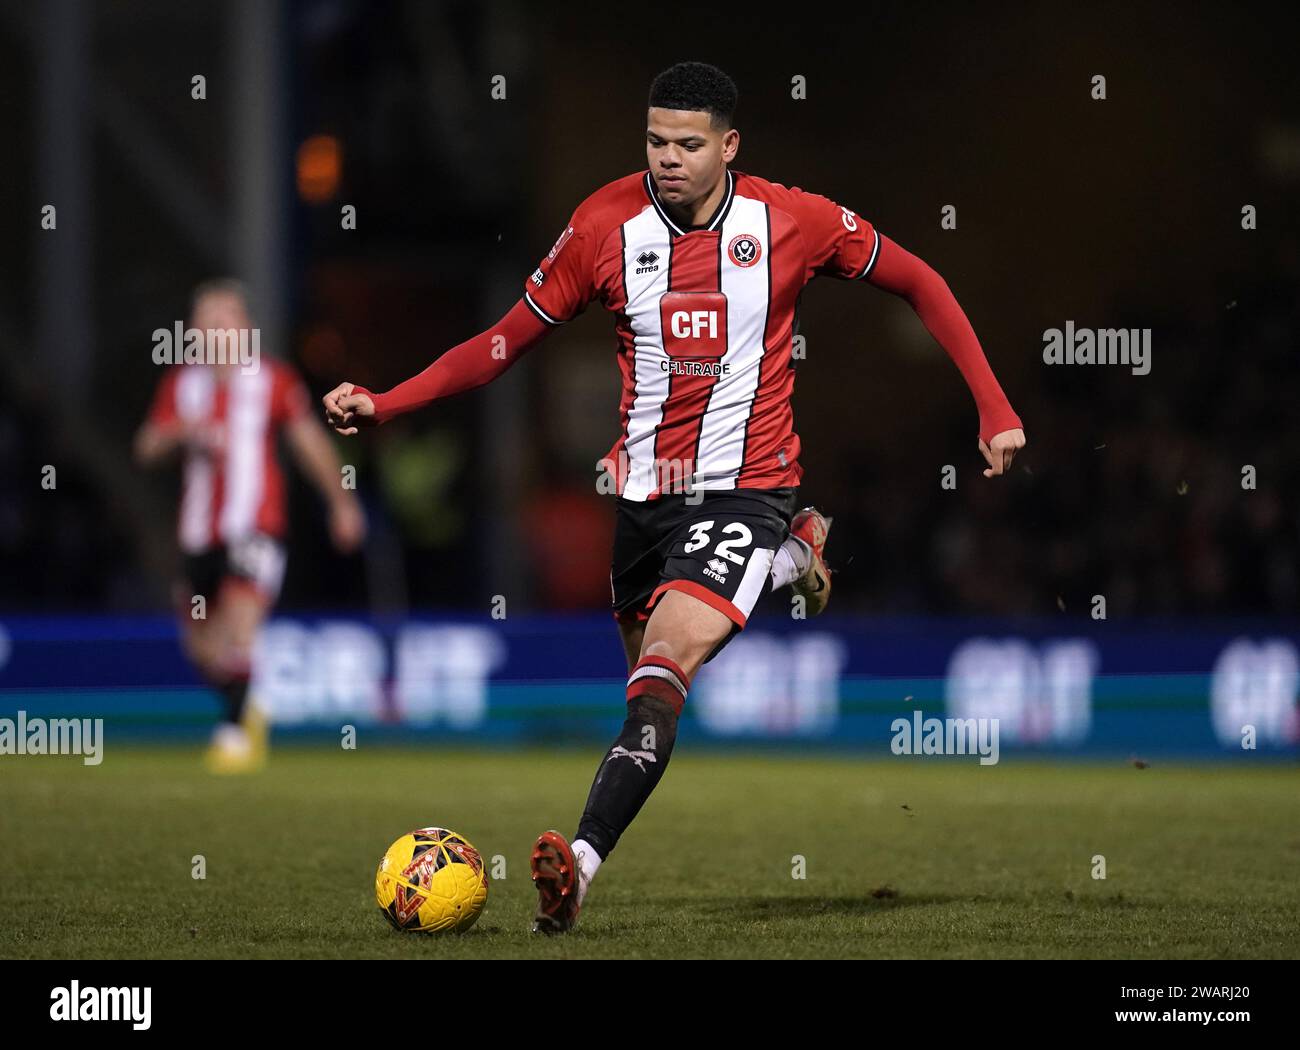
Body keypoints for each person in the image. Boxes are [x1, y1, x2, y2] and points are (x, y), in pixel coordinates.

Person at [322, 62, 1024, 932]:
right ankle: (797, 554)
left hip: (747, 487)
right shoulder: (601, 226)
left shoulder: (792, 220)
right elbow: (505, 342)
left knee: (667, 667)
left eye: (689, 145)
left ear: (730, 146)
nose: (668, 159)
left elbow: (919, 278)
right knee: (649, 700)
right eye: (655, 141)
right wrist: (386, 401)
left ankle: (576, 869)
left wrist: (993, 407)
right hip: (645, 502)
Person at [137, 279, 366, 773]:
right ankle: (247, 705)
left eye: (225, 320)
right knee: (201, 646)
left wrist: (341, 502)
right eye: (207, 321)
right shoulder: (182, 386)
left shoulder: (272, 380)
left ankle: (235, 732)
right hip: (199, 533)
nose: (215, 330)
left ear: (244, 328)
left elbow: (309, 442)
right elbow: (146, 447)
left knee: (243, 619)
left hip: (256, 526)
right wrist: (181, 431)